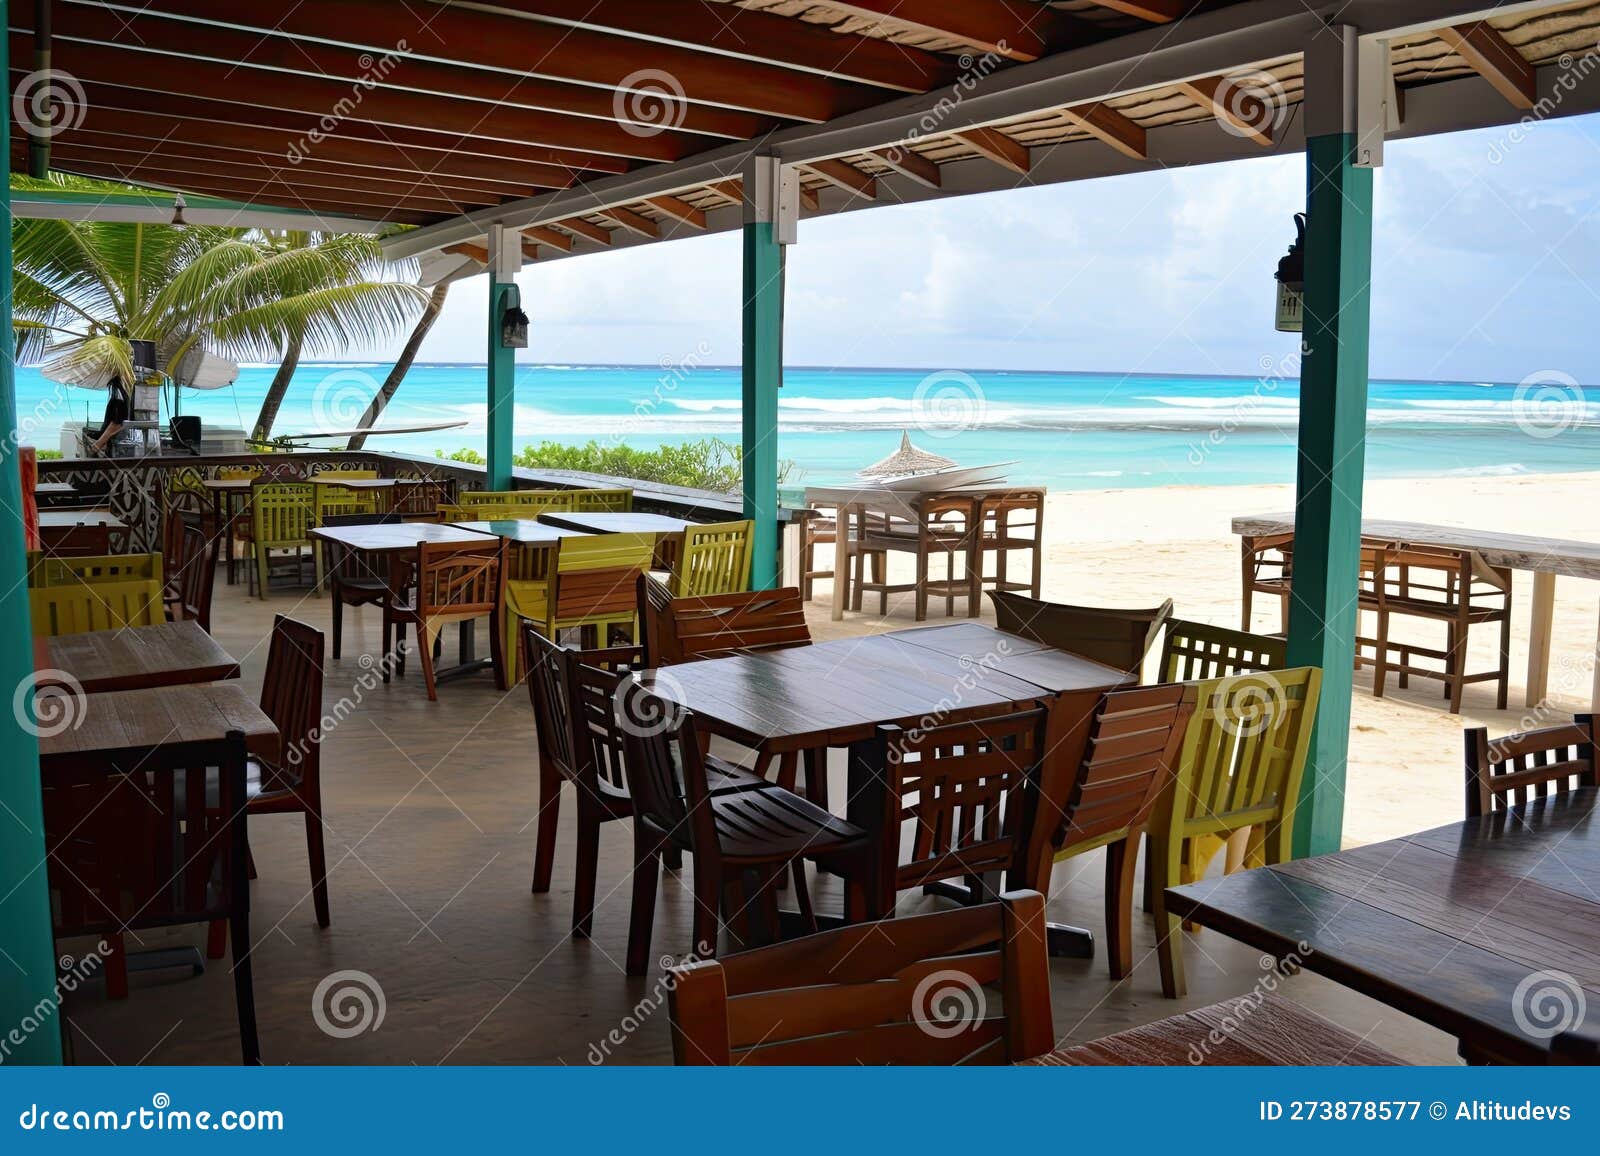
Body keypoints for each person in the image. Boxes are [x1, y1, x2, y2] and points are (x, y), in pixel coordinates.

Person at [88, 373, 130, 456]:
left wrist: (97, 445)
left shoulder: (118, 395)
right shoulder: (119, 393)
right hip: (109, 441)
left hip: (112, 444)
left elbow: (116, 423)